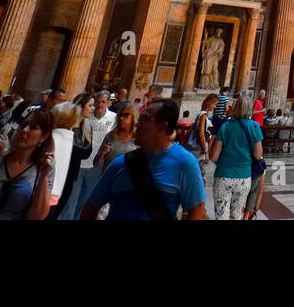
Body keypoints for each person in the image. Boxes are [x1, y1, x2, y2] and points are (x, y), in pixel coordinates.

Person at [80, 98, 205, 220]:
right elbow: (90, 207)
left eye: (146, 119)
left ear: (162, 127)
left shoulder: (185, 163)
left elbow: (197, 210)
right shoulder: (120, 163)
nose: (138, 124)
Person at [209, 87, 264, 219]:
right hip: (243, 177)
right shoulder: (255, 127)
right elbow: (257, 155)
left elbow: (214, 156)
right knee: (235, 215)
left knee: (222, 215)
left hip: (224, 175)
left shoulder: (226, 127)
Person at [69, 91, 116, 219]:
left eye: (103, 102)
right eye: (97, 102)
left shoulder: (113, 118)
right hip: (80, 163)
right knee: (71, 199)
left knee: (86, 200)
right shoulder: (87, 117)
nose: (99, 105)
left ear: (108, 103)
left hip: (97, 165)